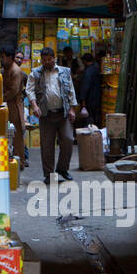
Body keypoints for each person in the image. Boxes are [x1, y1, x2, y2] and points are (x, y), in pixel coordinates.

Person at [26, 46, 77, 182]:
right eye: (44, 60)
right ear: (41, 60)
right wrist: (35, 106)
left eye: (49, 59)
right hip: (46, 114)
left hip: (63, 113)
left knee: (68, 140)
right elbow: (29, 90)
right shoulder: (35, 73)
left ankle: (62, 168)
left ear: (54, 58)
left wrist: (72, 109)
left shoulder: (64, 72)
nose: (47, 62)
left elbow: (71, 90)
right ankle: (49, 175)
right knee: (47, 145)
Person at [3, 44, 28, 167]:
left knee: (17, 135)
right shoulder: (7, 68)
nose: (2, 59)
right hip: (9, 103)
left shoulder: (16, 71)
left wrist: (2, 98)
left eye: (3, 57)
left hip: (14, 104)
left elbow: (13, 90)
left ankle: (21, 162)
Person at [76, 52, 103, 130]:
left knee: (89, 118)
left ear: (84, 61)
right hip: (98, 97)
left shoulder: (88, 72)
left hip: (90, 99)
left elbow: (85, 87)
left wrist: (83, 101)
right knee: (97, 117)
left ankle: (91, 134)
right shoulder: (97, 68)